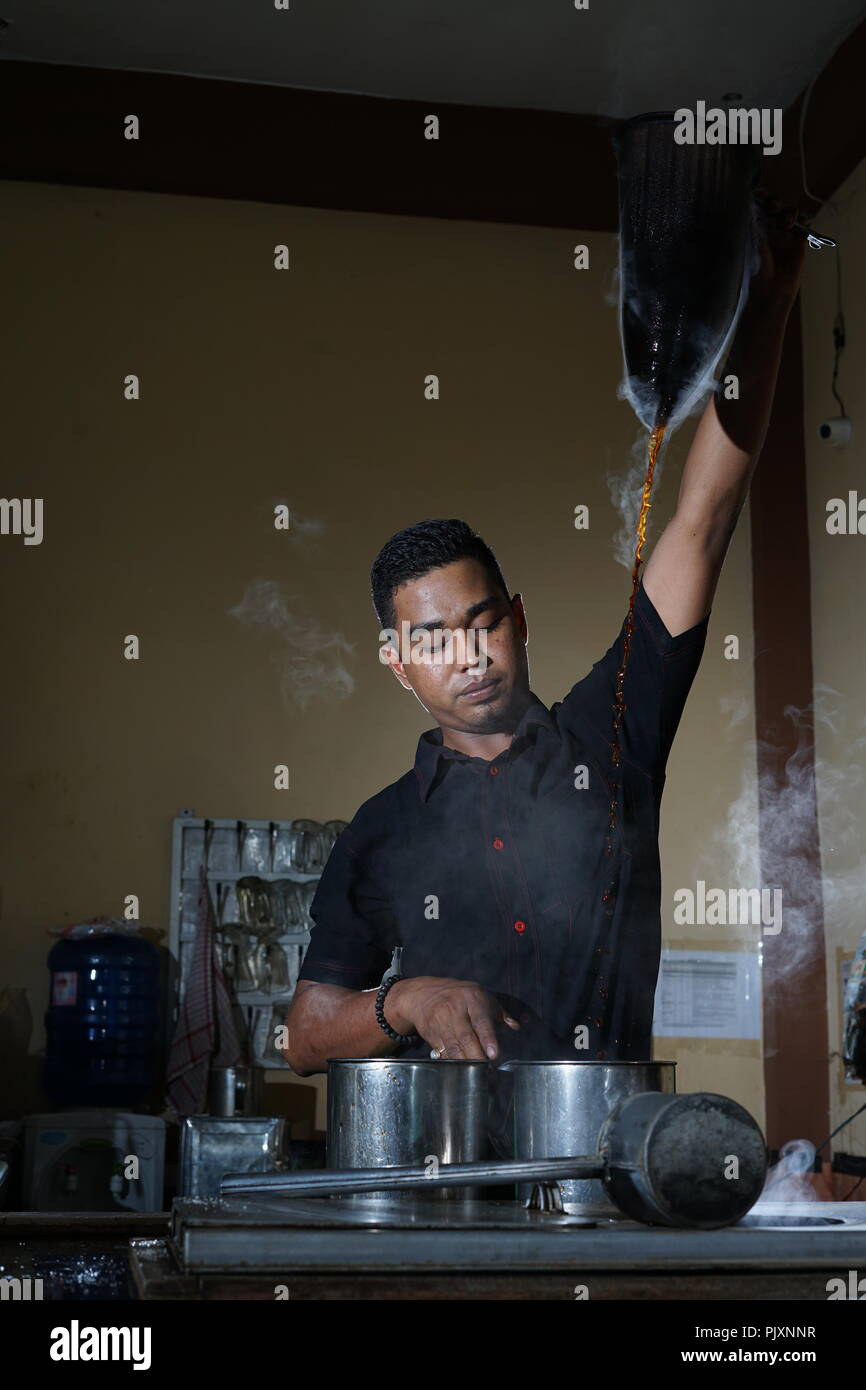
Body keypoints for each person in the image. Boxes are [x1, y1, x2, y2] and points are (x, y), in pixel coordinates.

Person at [284, 200, 806, 1076]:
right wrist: (406, 999)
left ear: (518, 621)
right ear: (398, 664)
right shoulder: (377, 834)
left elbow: (701, 521)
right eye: (436, 639)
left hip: (609, 1172)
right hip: (446, 1187)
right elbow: (304, 1036)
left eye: (485, 622)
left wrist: (772, 299)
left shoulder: (613, 735)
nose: (472, 654)